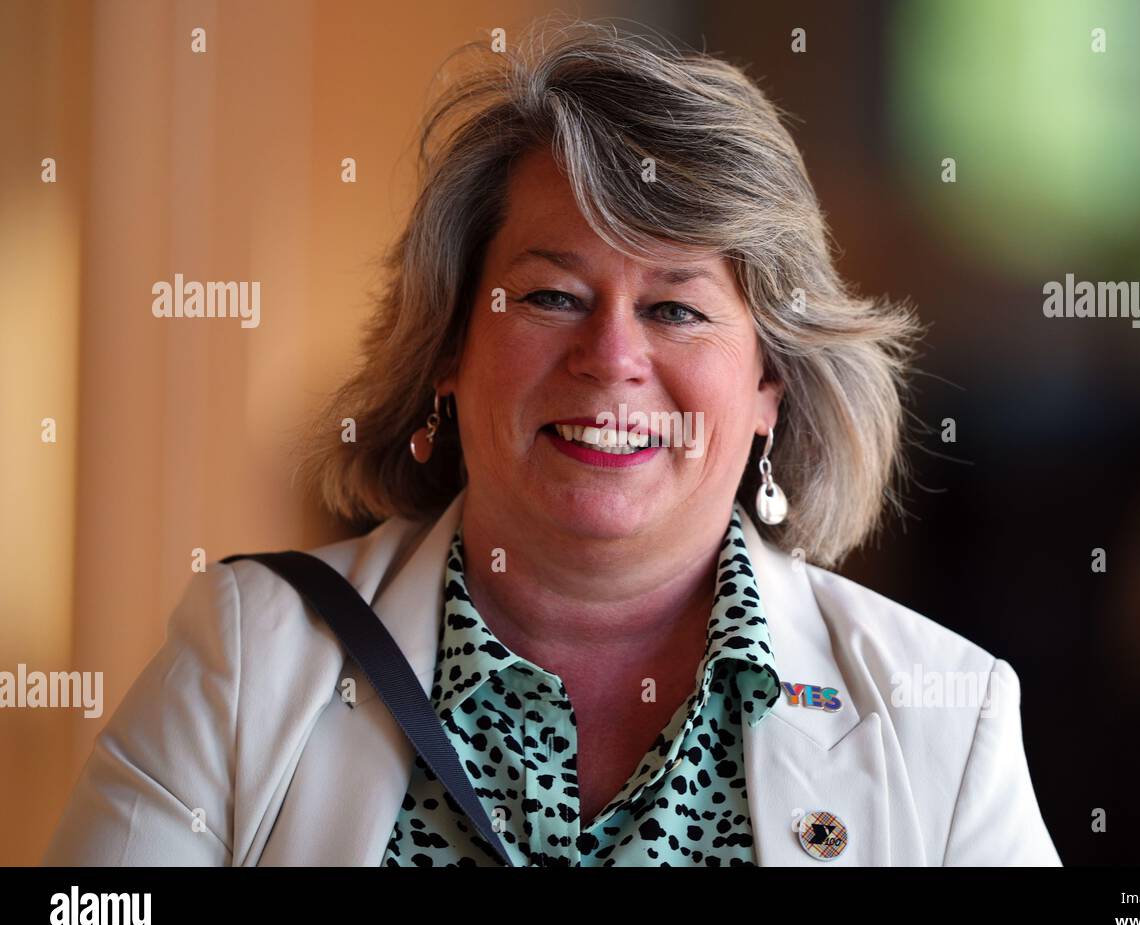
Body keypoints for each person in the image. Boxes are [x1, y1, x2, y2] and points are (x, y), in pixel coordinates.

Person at [44, 16, 1059, 866]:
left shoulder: (942, 717)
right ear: (448, 347)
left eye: (676, 310)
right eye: (550, 294)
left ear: (769, 384)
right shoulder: (246, 659)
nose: (610, 355)